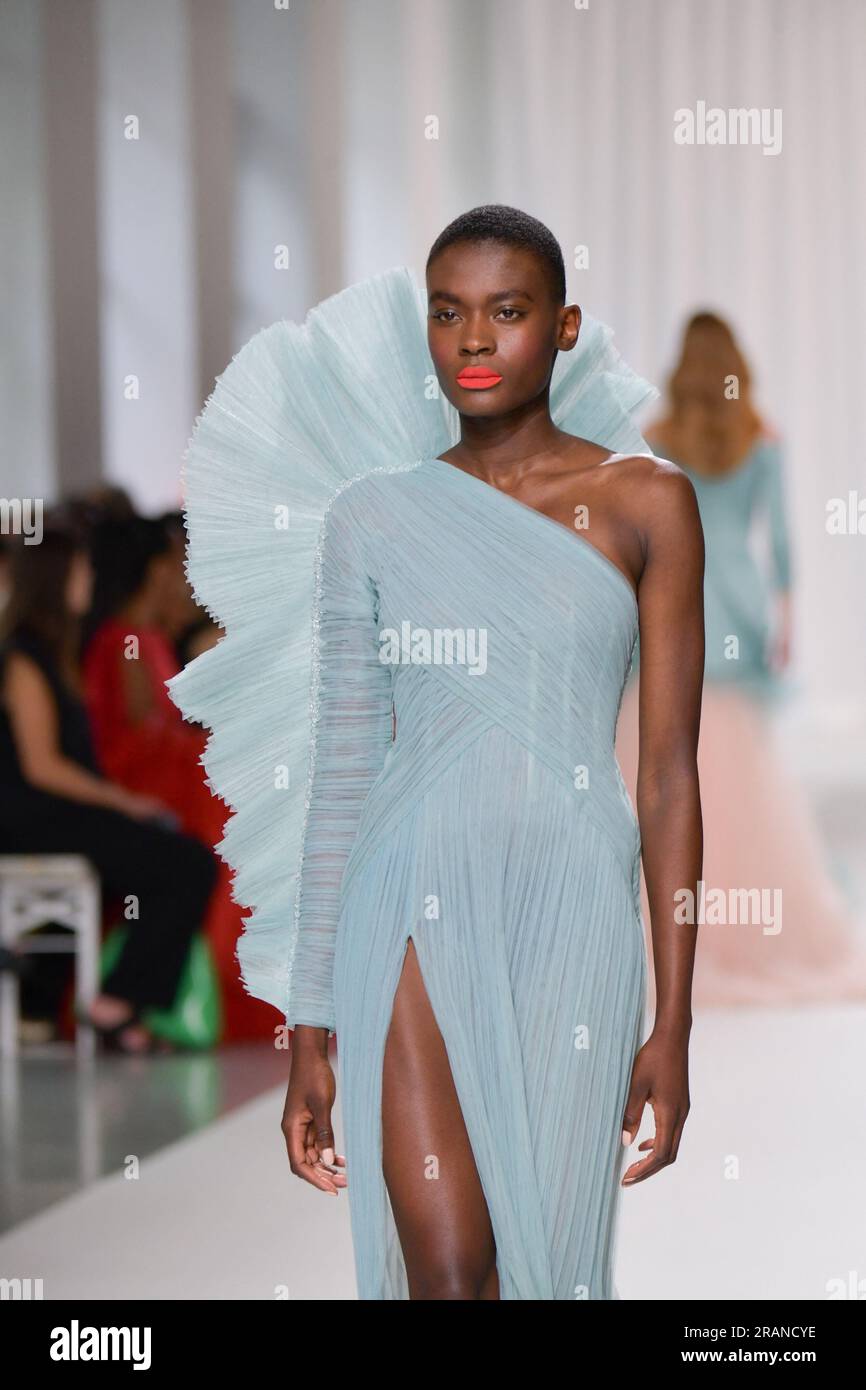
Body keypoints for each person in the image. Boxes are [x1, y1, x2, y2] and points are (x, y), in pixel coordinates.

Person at [167, 205, 704, 1299]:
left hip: (573, 904)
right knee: (450, 1273)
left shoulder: (647, 503)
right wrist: (307, 1023)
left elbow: (666, 775)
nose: (472, 340)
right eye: (447, 313)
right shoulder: (370, 516)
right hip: (406, 896)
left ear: (562, 327)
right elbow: (344, 772)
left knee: (542, 1270)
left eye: (505, 312)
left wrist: (674, 1022)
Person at [615, 311, 866, 1007]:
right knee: (740, 787)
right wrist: (784, 624)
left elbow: (637, 533)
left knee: (659, 778)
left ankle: (658, 943)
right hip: (735, 606)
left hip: (670, 606)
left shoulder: (655, 440)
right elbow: (781, 549)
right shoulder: (762, 442)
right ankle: (751, 936)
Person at [0, 523, 216, 1053]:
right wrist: (122, 801)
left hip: (61, 811)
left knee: (178, 857)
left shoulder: (54, 655)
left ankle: (112, 999)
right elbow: (42, 766)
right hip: (36, 817)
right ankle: (117, 1000)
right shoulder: (24, 660)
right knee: (185, 863)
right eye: (79, 568)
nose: (89, 578)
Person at [81, 515, 274, 1041]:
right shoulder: (127, 639)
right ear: (153, 571)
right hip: (146, 782)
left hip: (168, 772)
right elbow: (140, 734)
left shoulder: (147, 639)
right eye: (174, 566)